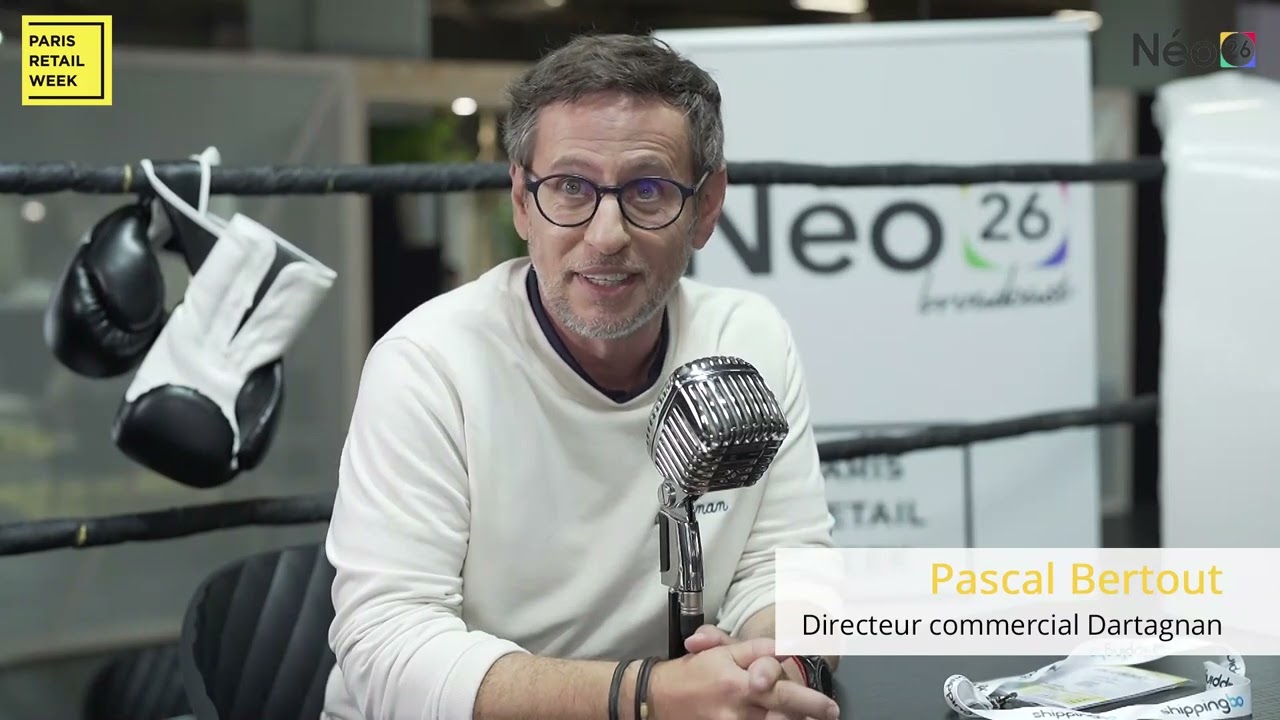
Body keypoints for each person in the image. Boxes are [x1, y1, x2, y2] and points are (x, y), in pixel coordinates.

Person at [322, 32, 840, 720]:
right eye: (570, 188)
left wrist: (775, 671)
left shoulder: (748, 339)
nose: (605, 235)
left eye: (648, 190)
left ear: (707, 207)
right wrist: (648, 696)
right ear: (521, 200)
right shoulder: (429, 364)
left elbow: (786, 567)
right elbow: (387, 649)